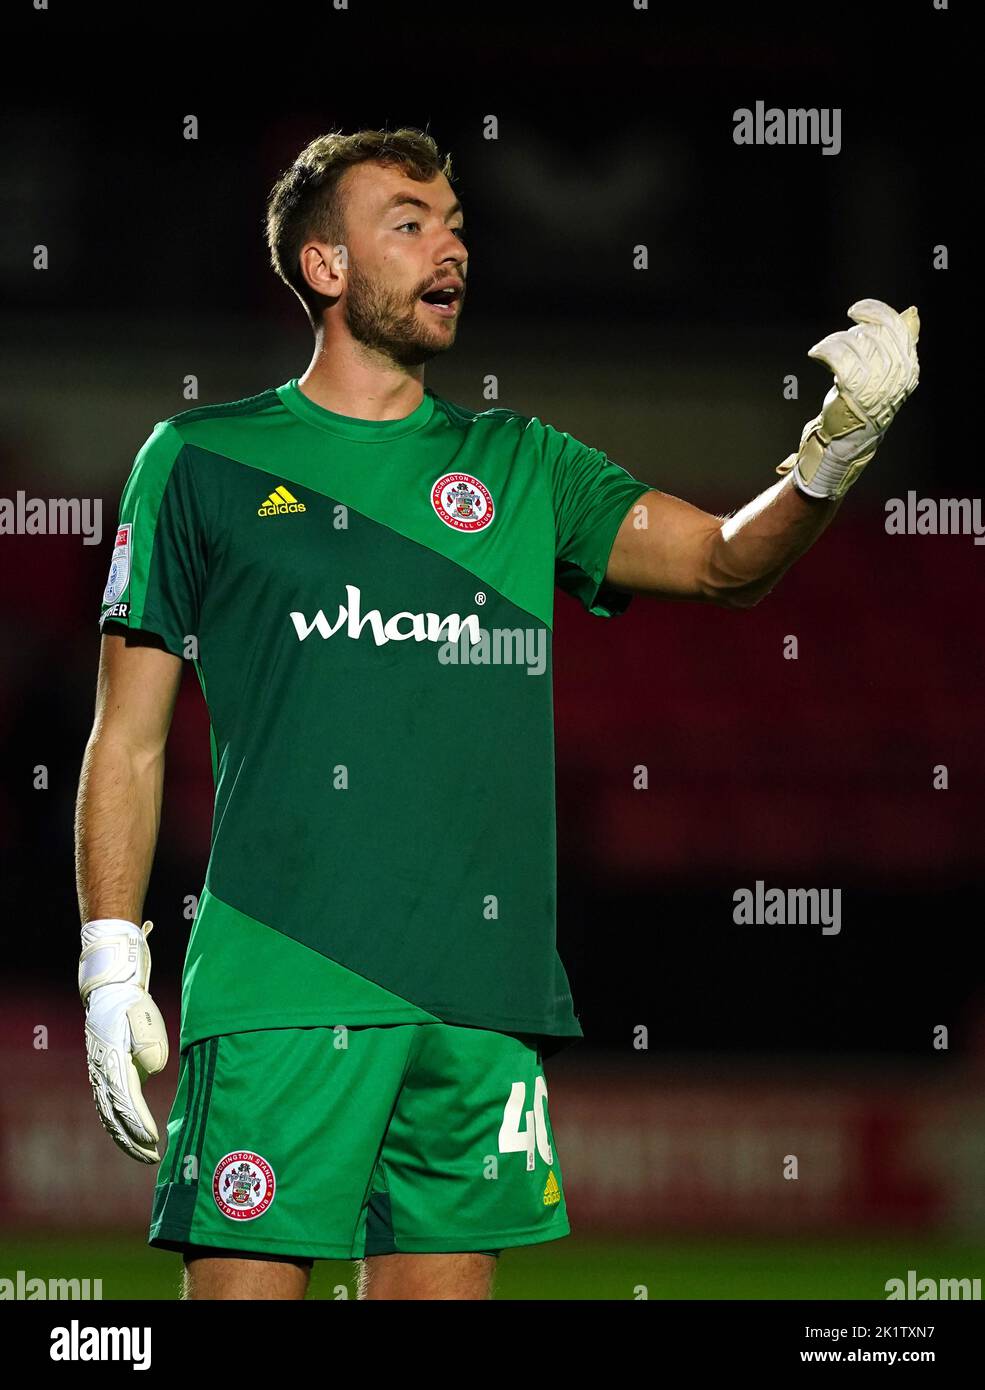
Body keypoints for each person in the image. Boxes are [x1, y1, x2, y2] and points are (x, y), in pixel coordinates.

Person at [75, 126, 919, 1301]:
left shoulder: (524, 466)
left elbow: (728, 563)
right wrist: (111, 960)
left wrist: (836, 446)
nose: (451, 244)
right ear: (325, 267)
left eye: (456, 222)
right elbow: (127, 733)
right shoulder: (200, 458)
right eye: (409, 221)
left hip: (478, 996)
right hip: (284, 982)